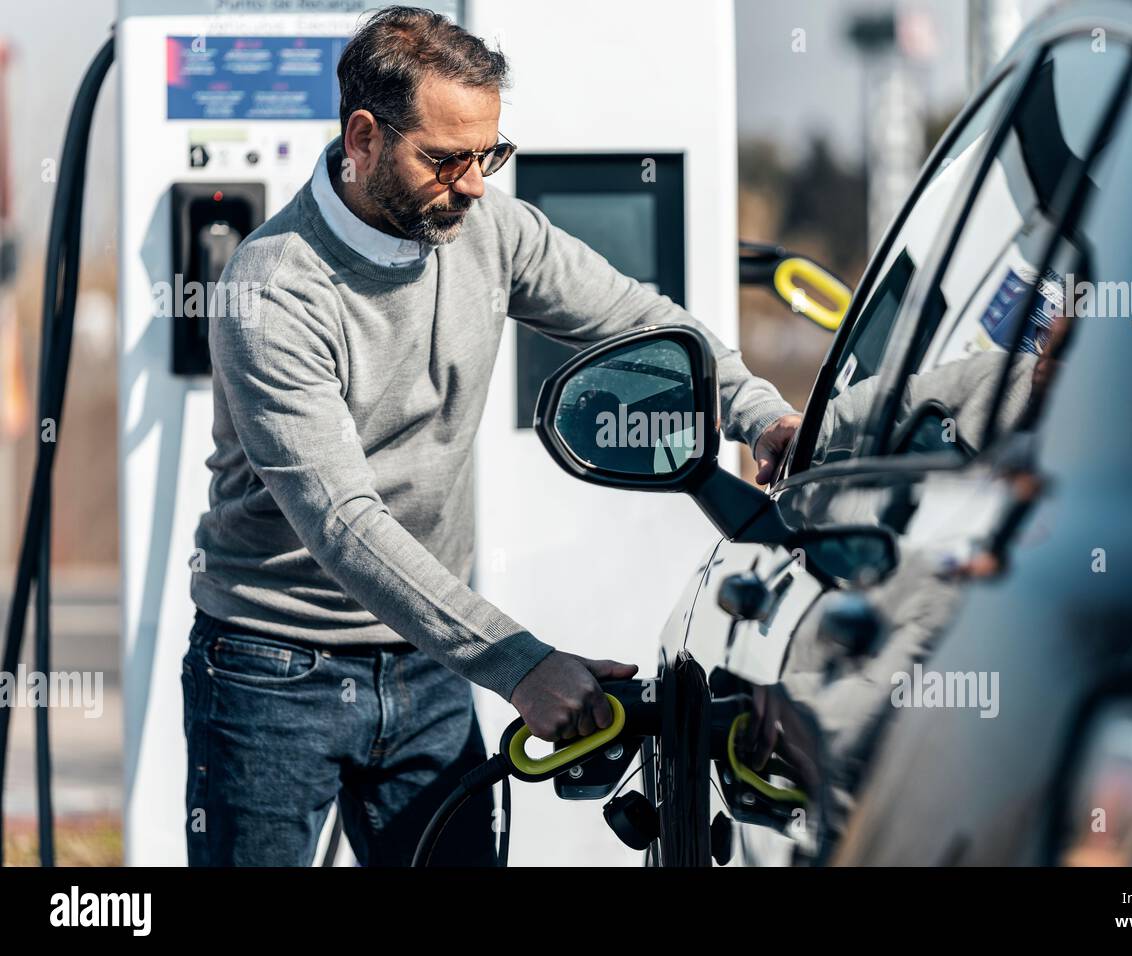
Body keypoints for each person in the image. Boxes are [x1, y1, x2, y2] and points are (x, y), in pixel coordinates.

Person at [182, 6, 801, 866]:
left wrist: (756, 411)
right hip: (271, 669)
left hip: (427, 660)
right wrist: (518, 664)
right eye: (446, 159)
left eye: (489, 155)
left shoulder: (490, 230)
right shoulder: (274, 291)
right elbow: (345, 525)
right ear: (362, 138)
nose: (474, 184)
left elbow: (635, 321)